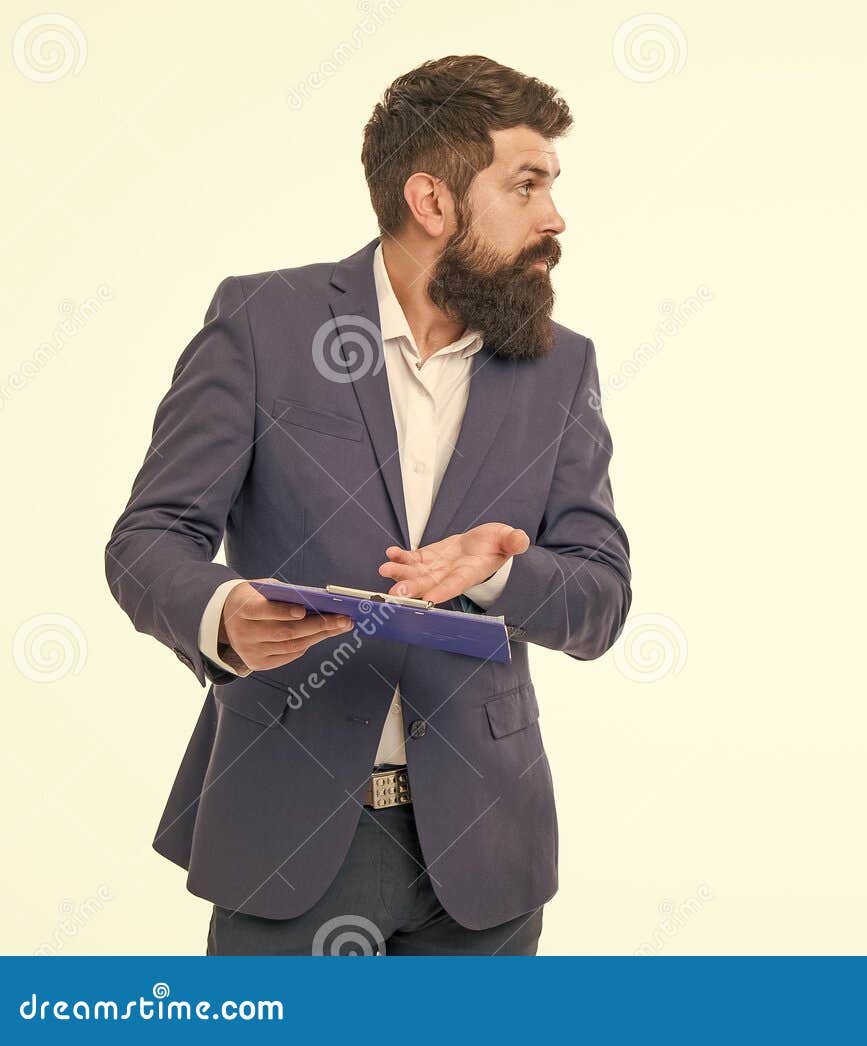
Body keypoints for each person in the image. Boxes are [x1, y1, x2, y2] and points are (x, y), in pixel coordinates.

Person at [103, 55, 631, 955]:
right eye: (527, 184)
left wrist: (505, 573)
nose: (554, 217)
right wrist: (221, 613)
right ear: (432, 202)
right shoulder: (264, 322)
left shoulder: (561, 364)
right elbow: (151, 536)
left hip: (487, 849)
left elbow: (601, 599)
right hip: (290, 831)